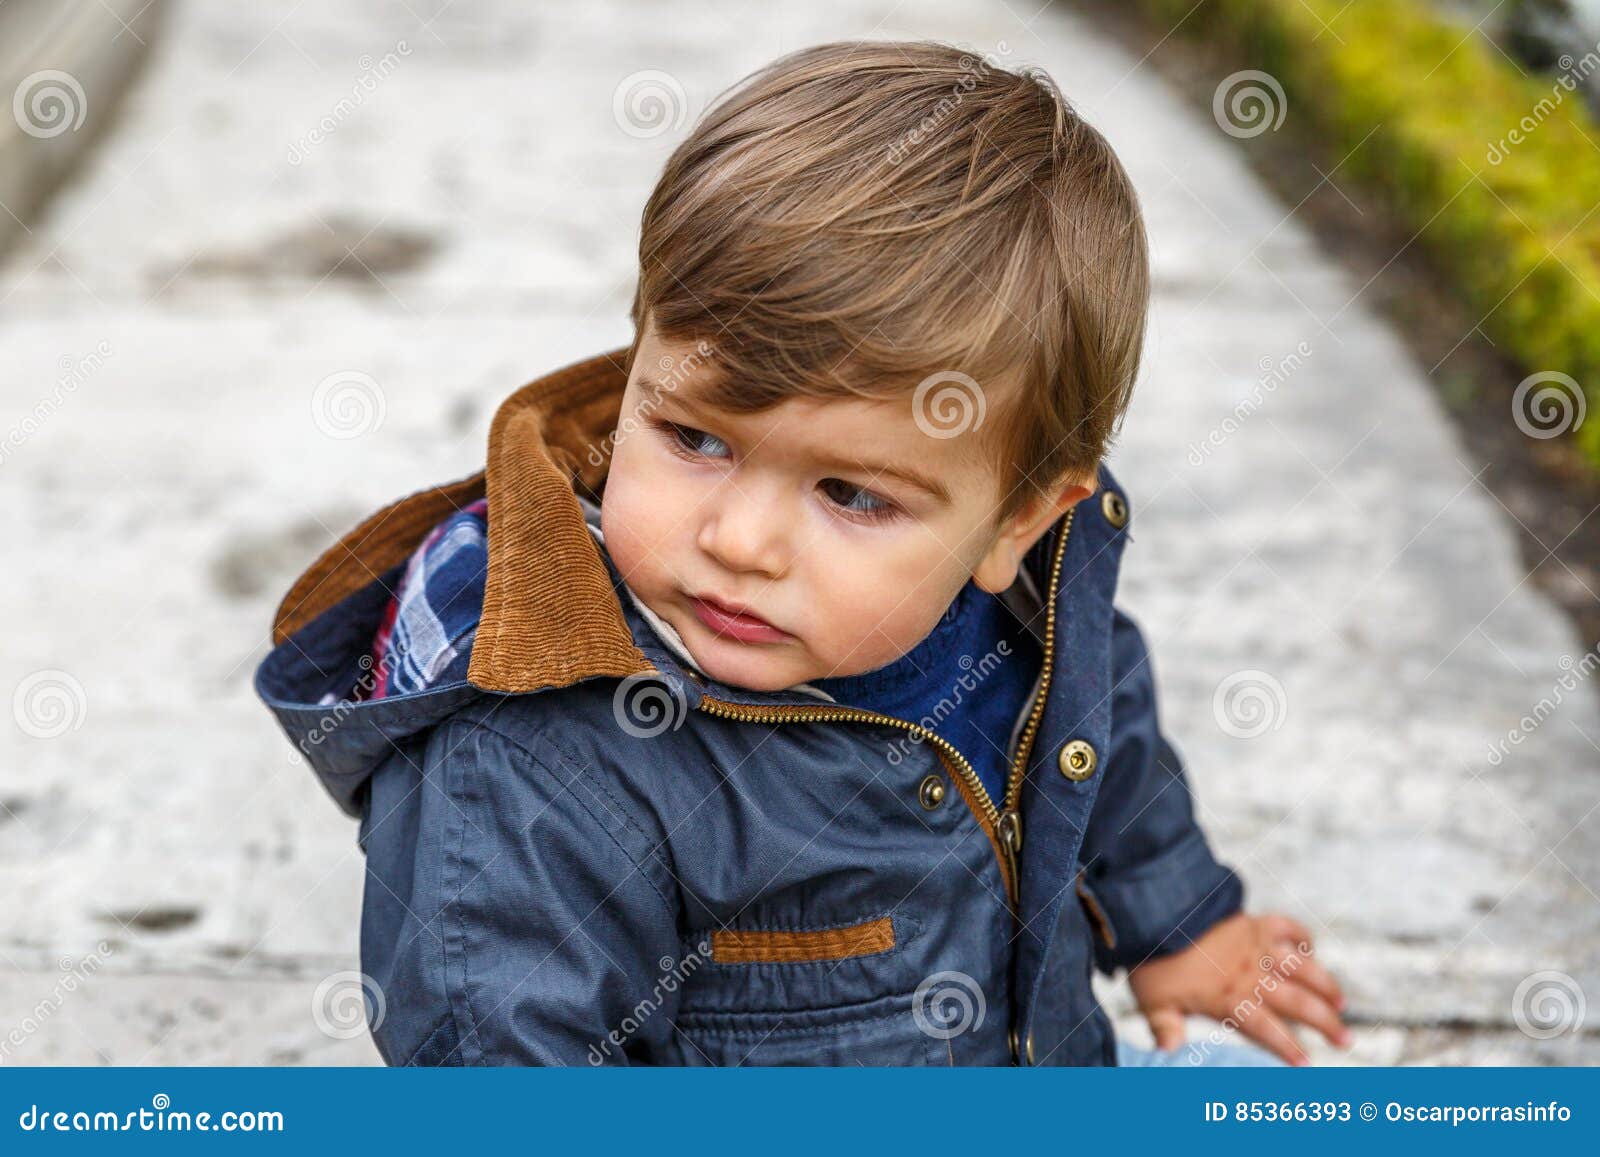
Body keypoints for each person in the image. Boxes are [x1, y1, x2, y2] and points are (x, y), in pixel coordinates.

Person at [255, 40, 1349, 1067]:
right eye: (694, 439)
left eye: (851, 494)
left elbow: (1098, 727)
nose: (738, 541)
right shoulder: (530, 767)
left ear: (1015, 523)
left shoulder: (1030, 612)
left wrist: (1180, 924)